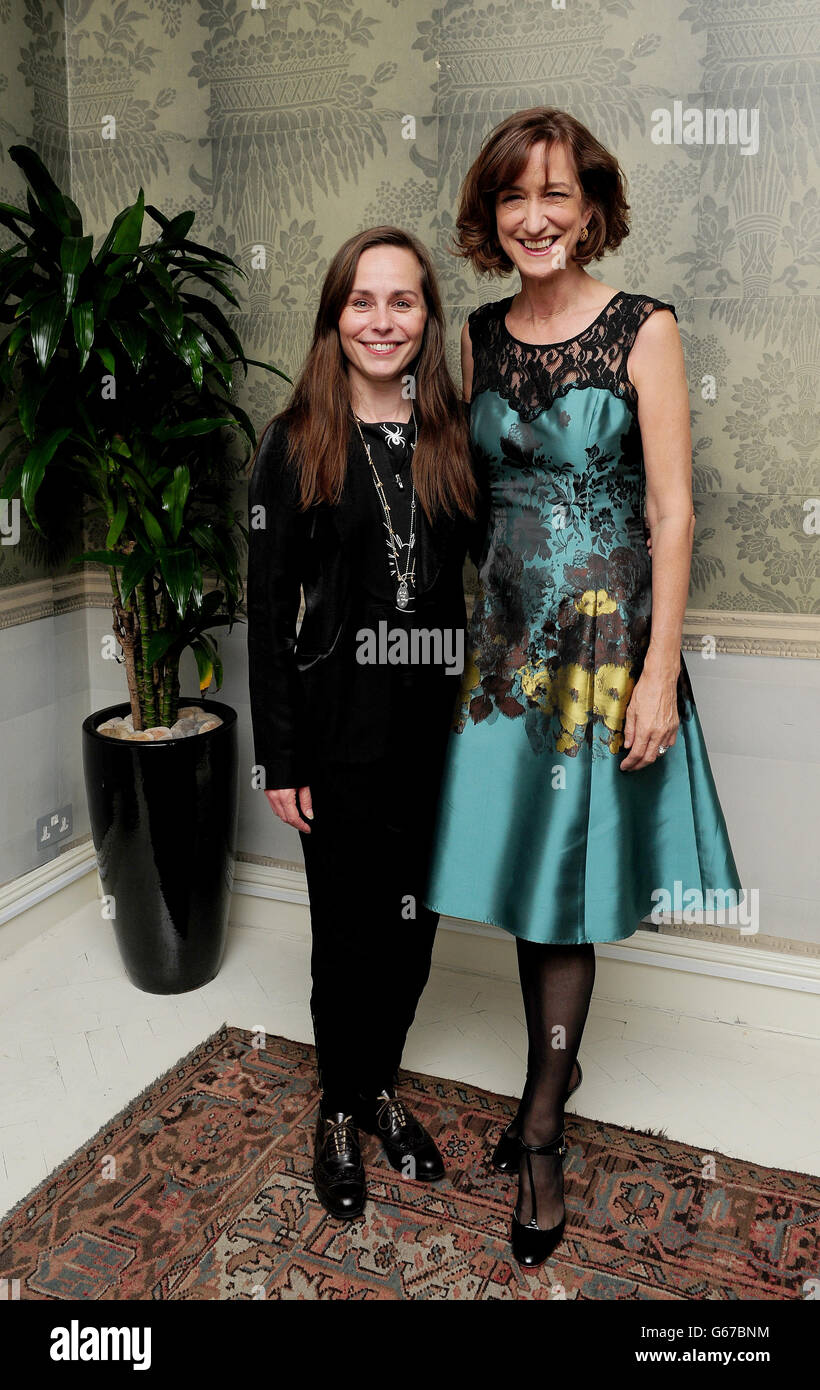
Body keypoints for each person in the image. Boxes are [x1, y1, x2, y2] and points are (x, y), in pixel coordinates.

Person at [423, 108, 744, 1266]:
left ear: (590, 203)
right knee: (530, 883)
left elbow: (671, 510)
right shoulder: (476, 335)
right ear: (491, 214)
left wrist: (660, 672)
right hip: (510, 653)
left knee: (565, 892)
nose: (535, 218)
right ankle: (548, 1076)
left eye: (555, 194)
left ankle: (543, 1128)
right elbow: (465, 495)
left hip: (606, 653)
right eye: (514, 197)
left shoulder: (641, 327)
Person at [246, 226, 479, 1220]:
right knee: (347, 934)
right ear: (335, 317)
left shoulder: (448, 433)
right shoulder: (297, 437)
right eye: (362, 301)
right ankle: (337, 1112)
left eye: (403, 302)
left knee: (413, 928)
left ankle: (377, 1085)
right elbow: (265, 610)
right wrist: (281, 756)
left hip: (437, 731)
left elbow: (495, 560)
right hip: (337, 733)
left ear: (427, 319)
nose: (382, 321)